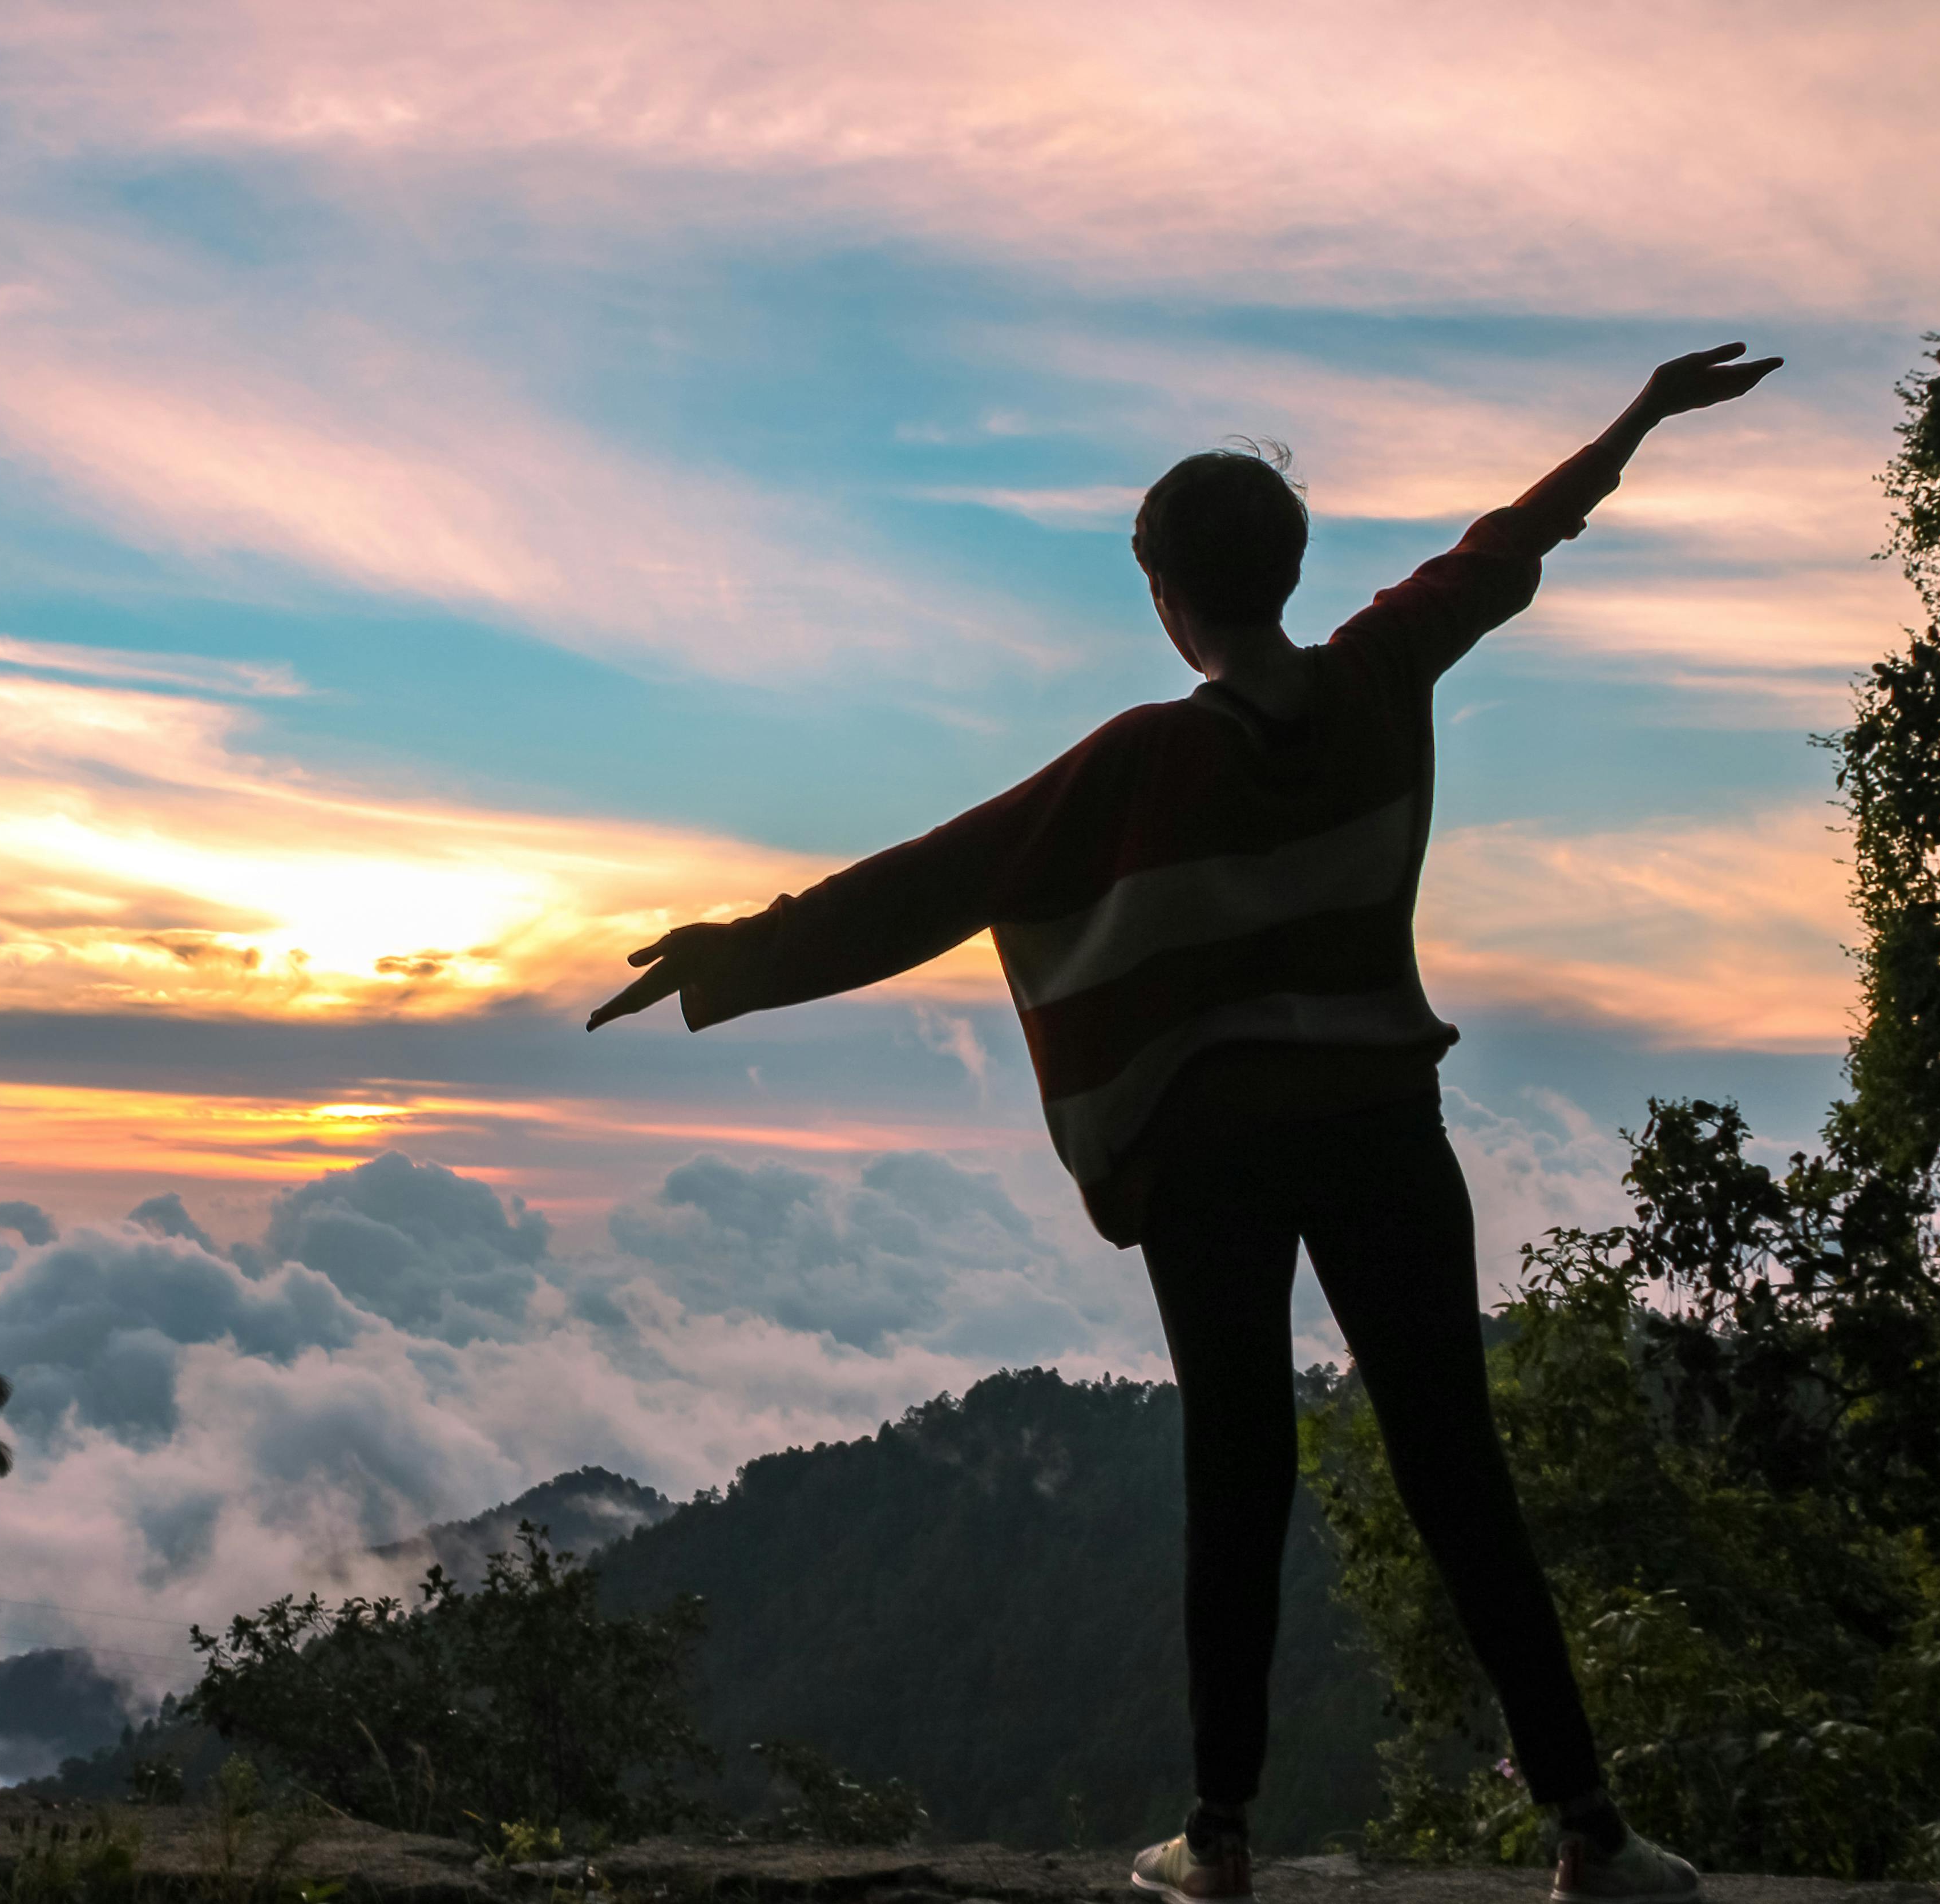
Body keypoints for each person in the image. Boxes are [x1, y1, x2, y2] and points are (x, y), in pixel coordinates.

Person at [587, 343, 1782, 1904]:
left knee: (1238, 1468)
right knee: (1457, 1470)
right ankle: (1590, 1831)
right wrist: (1637, 417)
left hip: (1214, 1155)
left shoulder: (1143, 761)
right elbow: (1507, 543)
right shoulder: (1377, 675)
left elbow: (944, 879)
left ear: (1167, 599)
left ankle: (1216, 1840)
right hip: (1385, 1135)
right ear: (1287, 571)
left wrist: (742, 953)